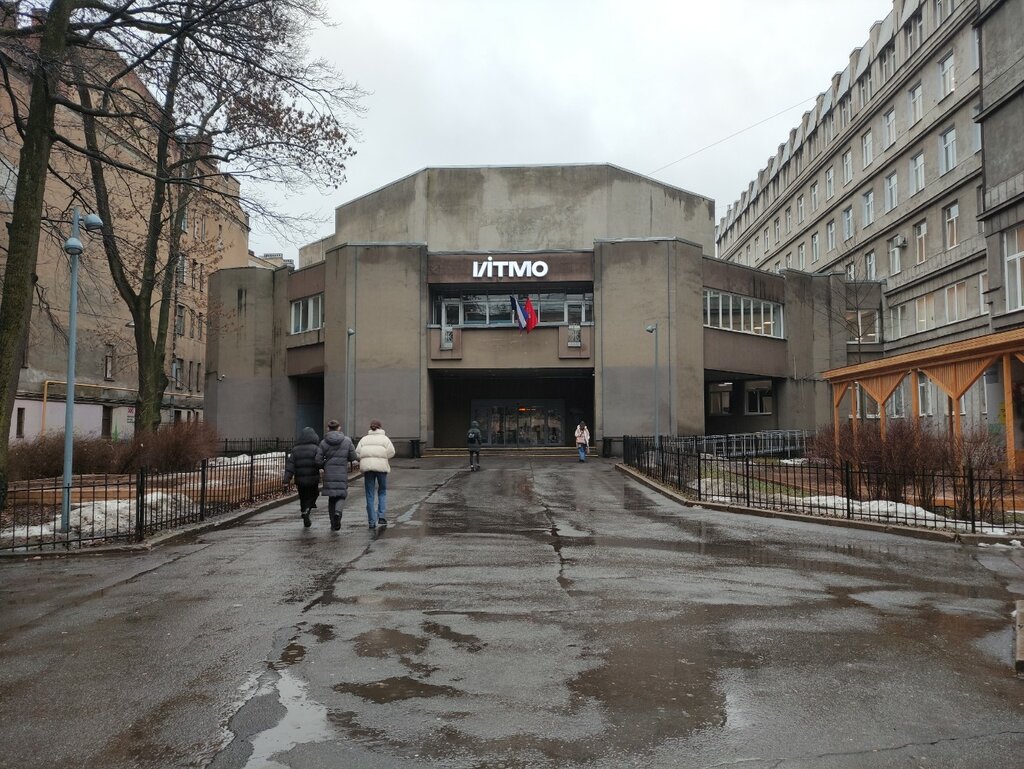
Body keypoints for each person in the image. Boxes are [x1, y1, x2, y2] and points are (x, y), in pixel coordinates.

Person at [316, 419, 357, 531]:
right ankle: (338, 513)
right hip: (341, 472)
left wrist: (325, 464)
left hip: (329, 473)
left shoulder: (323, 442)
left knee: (331, 498)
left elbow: (318, 460)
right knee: (341, 495)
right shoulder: (347, 441)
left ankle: (333, 524)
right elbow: (353, 457)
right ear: (339, 428)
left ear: (328, 429)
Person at [355, 419, 396, 529]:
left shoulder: (364, 439)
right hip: (381, 468)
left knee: (369, 494)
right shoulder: (385, 439)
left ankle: (371, 521)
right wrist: (383, 457)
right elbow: (392, 452)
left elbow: (357, 453)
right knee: (382, 491)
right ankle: (381, 516)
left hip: (368, 468)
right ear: (380, 427)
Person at [283, 426, 321, 527]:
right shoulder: (316, 449)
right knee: (314, 493)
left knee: (303, 496)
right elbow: (319, 462)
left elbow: (290, 466)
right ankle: (308, 509)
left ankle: (304, 510)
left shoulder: (295, 450)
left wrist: (286, 479)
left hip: (300, 479)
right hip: (313, 478)